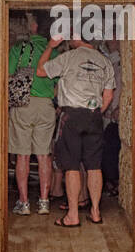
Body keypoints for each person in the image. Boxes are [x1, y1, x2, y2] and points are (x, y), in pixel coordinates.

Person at [37, 31, 115, 227]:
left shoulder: (69, 57)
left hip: (71, 116)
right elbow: (108, 96)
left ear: (76, 38)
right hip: (94, 116)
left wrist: (50, 47)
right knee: (94, 166)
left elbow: (41, 71)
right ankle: (95, 212)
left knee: (71, 166)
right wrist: (94, 113)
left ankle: (72, 215)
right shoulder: (105, 62)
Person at [8, 12, 57, 215]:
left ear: (35, 26)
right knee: (44, 155)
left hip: (23, 104)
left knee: (23, 155)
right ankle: (44, 202)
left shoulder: (20, 48)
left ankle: (24, 202)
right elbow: (57, 82)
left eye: (30, 21)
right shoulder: (54, 52)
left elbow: (8, 74)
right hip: (46, 105)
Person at [101, 38, 123, 196]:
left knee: (114, 148)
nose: (112, 40)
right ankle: (110, 182)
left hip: (117, 113)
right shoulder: (108, 61)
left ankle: (115, 182)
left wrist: (120, 107)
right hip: (107, 112)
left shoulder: (123, 63)